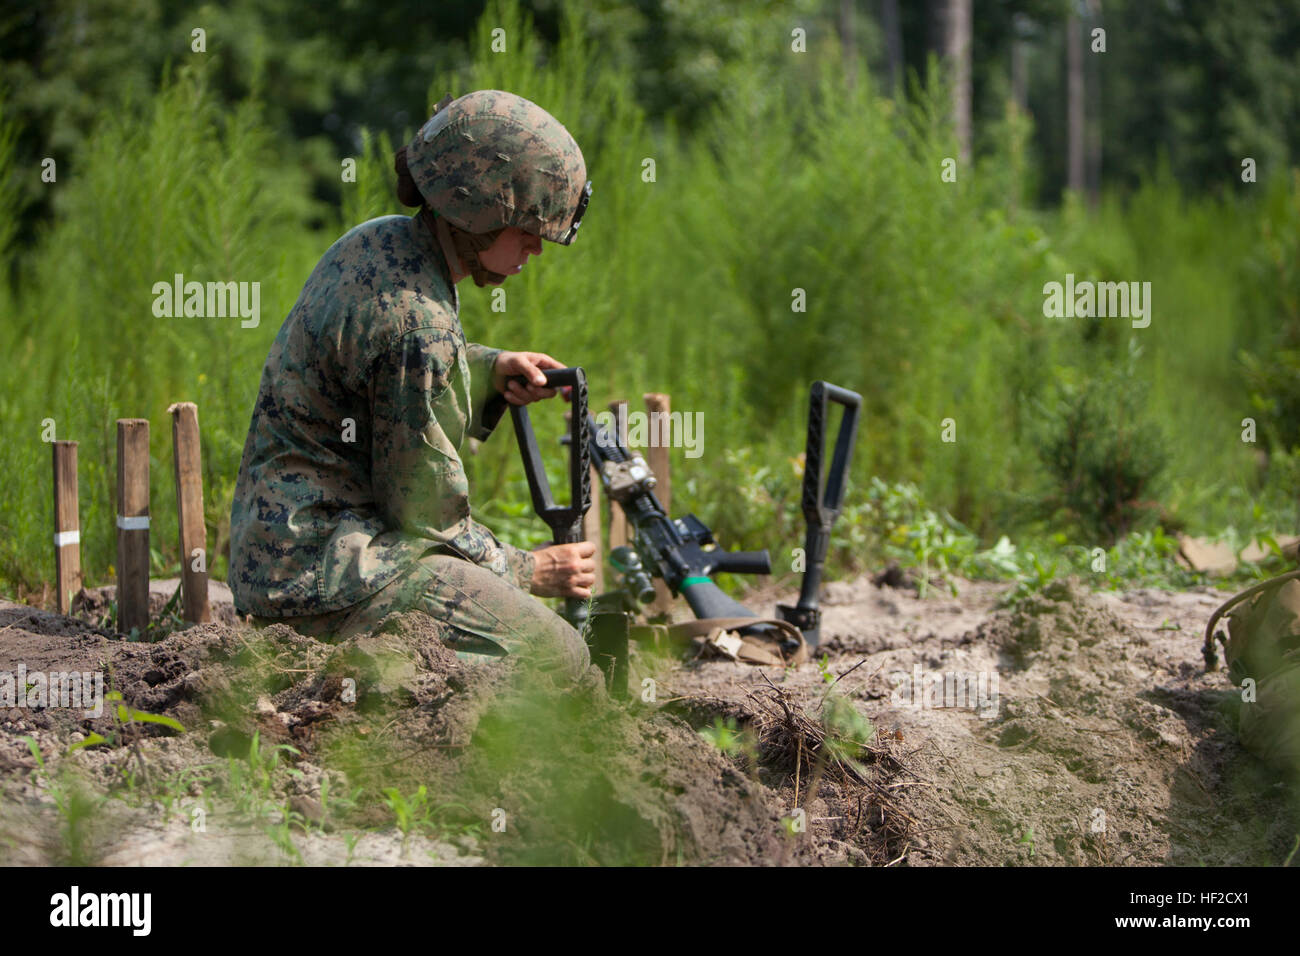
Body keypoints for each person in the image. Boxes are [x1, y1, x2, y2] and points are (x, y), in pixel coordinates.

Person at [228, 90, 598, 680]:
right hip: (321, 577)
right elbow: (428, 514)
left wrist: (487, 368)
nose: (536, 247)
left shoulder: (382, 243)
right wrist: (532, 570)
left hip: (289, 553)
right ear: (476, 210)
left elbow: (377, 375)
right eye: (527, 228)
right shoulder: (417, 322)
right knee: (560, 659)